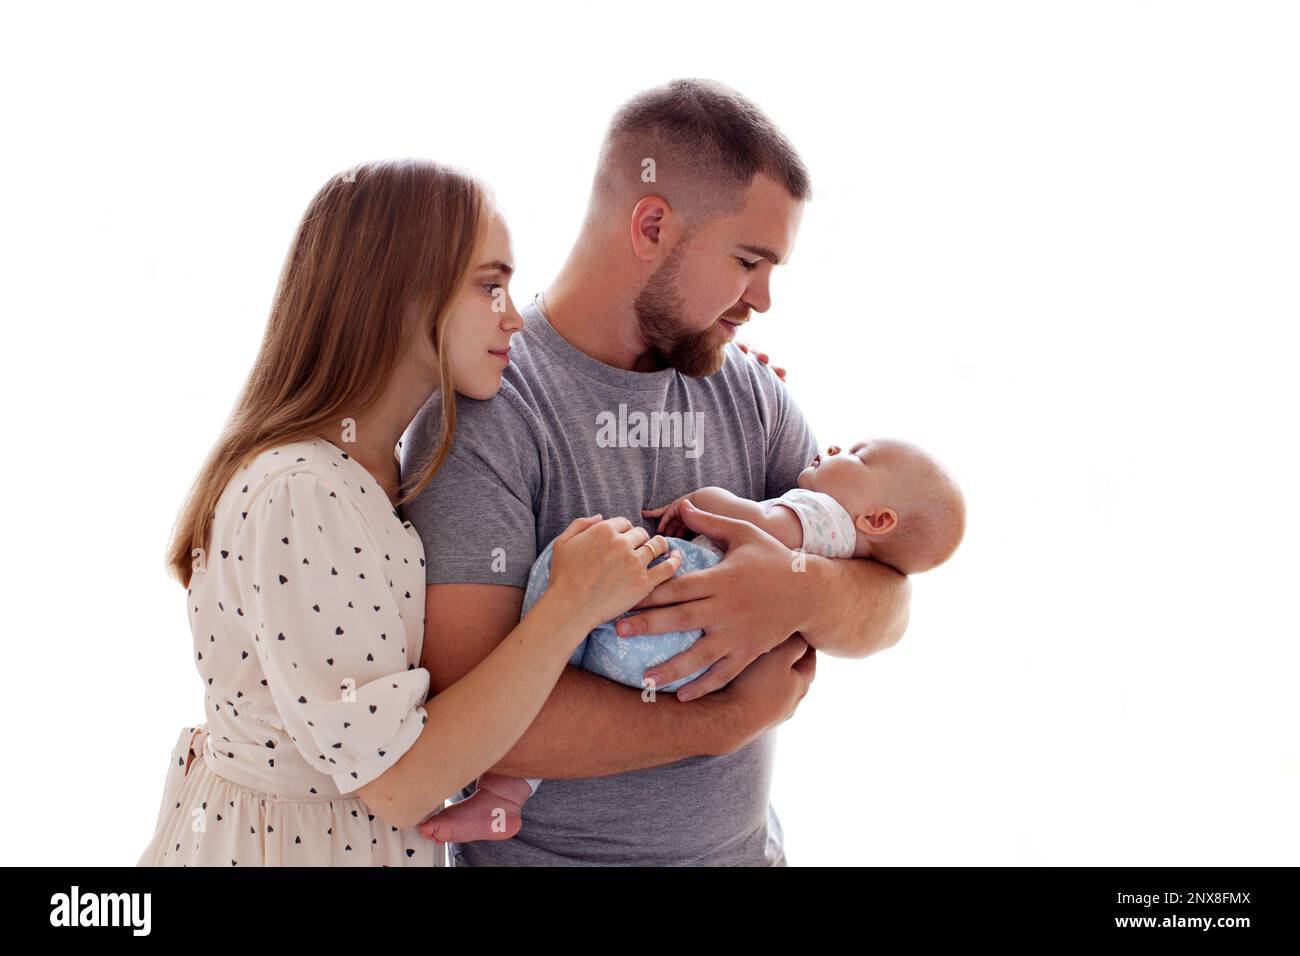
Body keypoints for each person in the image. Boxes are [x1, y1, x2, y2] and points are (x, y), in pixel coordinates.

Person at [401, 80, 908, 866]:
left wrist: (799, 589)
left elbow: (890, 595)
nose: (765, 299)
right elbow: (472, 719)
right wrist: (718, 723)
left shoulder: (751, 394)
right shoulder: (487, 412)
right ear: (651, 223)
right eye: (749, 260)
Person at [137, 158, 681, 866]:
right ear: (396, 294)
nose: (513, 316)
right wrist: (570, 608)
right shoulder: (302, 493)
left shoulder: (374, 465)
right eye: (490, 285)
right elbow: (398, 784)